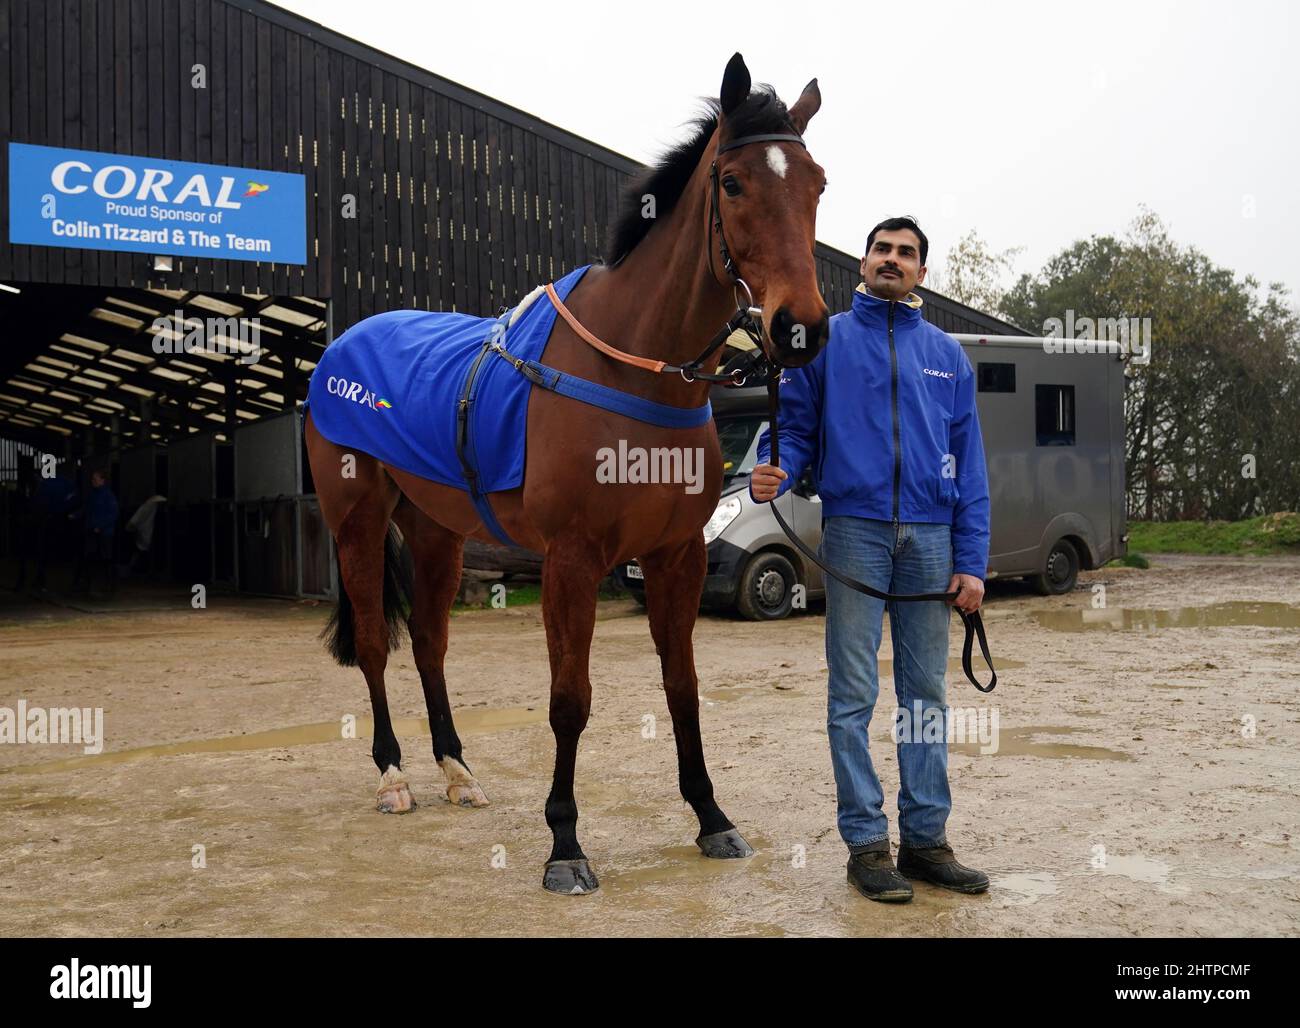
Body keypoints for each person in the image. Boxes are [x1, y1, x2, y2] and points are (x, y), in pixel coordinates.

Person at [750, 216, 991, 903]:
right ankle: (866, 846)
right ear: (861, 263)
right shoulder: (827, 343)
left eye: (906, 253)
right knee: (852, 697)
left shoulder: (948, 356)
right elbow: (794, 429)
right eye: (882, 249)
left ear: (921, 272)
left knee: (927, 699)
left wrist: (971, 561)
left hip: (932, 537)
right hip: (854, 530)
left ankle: (925, 842)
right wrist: (778, 468)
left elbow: (970, 468)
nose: (893, 259)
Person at [73, 468, 120, 597]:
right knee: (90, 557)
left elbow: (113, 514)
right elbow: (86, 509)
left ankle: (109, 585)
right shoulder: (92, 494)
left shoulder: (108, 495)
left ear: (102, 480)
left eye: (95, 478)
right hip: (93, 531)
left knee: (106, 558)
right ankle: (91, 584)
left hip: (104, 533)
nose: (92, 481)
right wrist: (74, 516)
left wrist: (101, 526)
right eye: (92, 479)